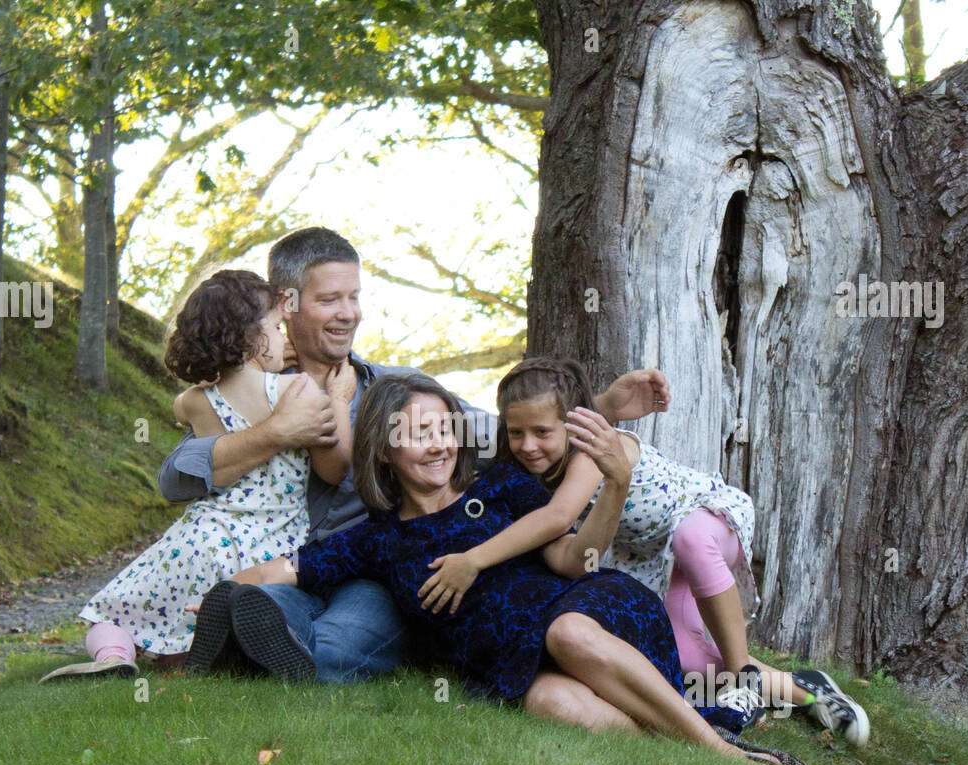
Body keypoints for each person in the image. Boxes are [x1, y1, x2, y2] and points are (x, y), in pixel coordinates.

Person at [189, 373, 809, 765]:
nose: (437, 445)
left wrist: (614, 488)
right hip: (518, 665)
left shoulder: (502, 487)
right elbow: (290, 568)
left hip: (588, 610)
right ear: (383, 450)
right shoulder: (379, 538)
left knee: (566, 632)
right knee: (549, 703)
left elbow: (574, 558)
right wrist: (223, 594)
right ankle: (685, 742)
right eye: (417, 434)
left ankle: (724, 757)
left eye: (444, 429)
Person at [157, 227, 678, 685]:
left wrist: (600, 407)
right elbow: (176, 479)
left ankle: (266, 657)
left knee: (349, 635)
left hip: (374, 564)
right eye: (331, 299)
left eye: (354, 297)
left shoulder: (394, 390)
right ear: (287, 305)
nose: (349, 314)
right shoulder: (250, 391)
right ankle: (247, 632)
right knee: (273, 601)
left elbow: (501, 434)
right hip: (288, 558)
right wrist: (276, 431)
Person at [415, 357, 871, 745]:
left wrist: (474, 560)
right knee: (686, 661)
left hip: (703, 518)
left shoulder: (592, 453)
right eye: (516, 433)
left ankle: (741, 674)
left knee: (692, 538)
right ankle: (807, 692)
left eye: (541, 431)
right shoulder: (536, 464)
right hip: (650, 556)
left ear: (573, 426)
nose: (528, 445)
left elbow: (556, 519)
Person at [39, 269, 353, 681]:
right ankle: (202, 658)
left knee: (117, 608)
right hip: (266, 545)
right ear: (251, 337)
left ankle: (114, 655)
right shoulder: (296, 392)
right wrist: (338, 397)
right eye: (276, 328)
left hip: (199, 536)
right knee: (226, 615)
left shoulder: (191, 402)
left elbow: (212, 403)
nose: (284, 339)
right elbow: (336, 467)